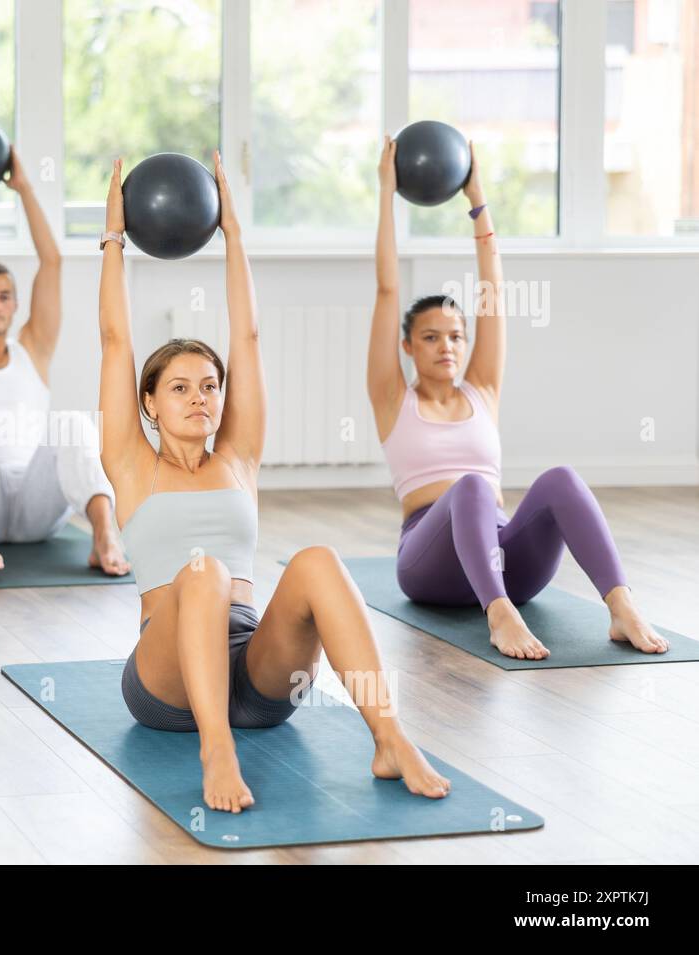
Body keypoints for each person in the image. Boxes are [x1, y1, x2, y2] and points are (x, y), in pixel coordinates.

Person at [99, 152, 450, 814]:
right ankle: (215, 749)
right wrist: (113, 239)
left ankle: (389, 733)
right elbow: (116, 341)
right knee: (201, 570)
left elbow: (248, 336)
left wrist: (234, 233)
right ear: (148, 402)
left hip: (255, 671)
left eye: (209, 386)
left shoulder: (239, 457)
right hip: (165, 678)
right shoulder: (130, 463)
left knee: (317, 559)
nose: (200, 397)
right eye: (179, 387)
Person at [368, 136, 669, 660]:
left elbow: (493, 294)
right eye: (432, 336)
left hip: (510, 558)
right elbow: (387, 291)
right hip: (431, 565)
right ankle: (498, 614)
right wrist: (387, 196)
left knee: (561, 479)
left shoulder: (482, 387)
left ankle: (621, 604)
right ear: (407, 346)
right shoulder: (393, 397)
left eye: (456, 336)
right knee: (471, 488)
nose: (448, 347)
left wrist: (478, 198)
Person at [0, 142, 128, 578]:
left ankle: (105, 533)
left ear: (16, 305)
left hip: (36, 510)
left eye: (4, 297)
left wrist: (26, 189)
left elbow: (51, 262)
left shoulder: (33, 348)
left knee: (72, 422)